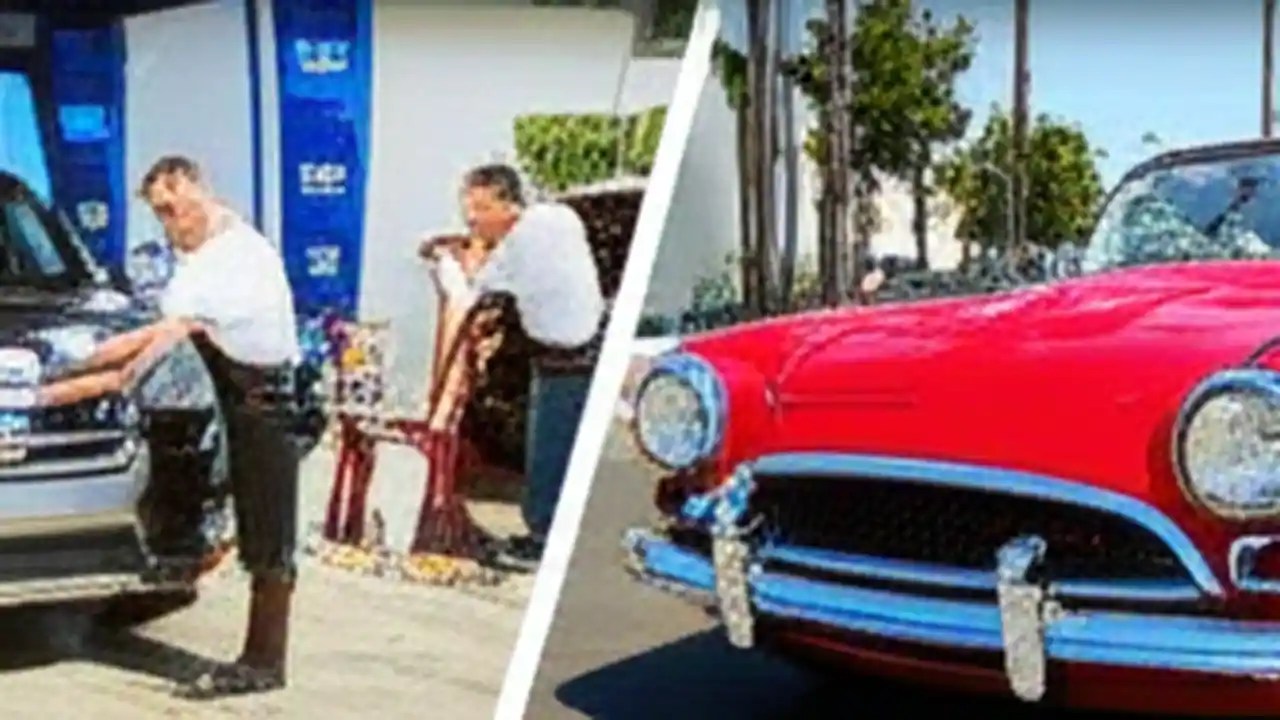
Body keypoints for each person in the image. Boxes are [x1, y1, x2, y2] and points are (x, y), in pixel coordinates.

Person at [60, 155, 302, 697]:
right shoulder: (216, 247)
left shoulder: (225, 260)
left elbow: (142, 350)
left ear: (197, 190)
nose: (170, 224)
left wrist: (61, 377)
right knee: (224, 516)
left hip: (265, 402)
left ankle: (263, 662)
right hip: (233, 395)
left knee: (268, 532)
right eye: (160, 214)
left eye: (174, 209)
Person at [420, 163, 603, 566]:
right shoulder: (560, 217)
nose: (472, 220)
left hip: (565, 362)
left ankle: (543, 540)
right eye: (468, 209)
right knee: (566, 453)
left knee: (548, 456)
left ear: (508, 205)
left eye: (481, 209)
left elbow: (467, 294)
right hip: (586, 348)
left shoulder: (518, 247)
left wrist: (445, 262)